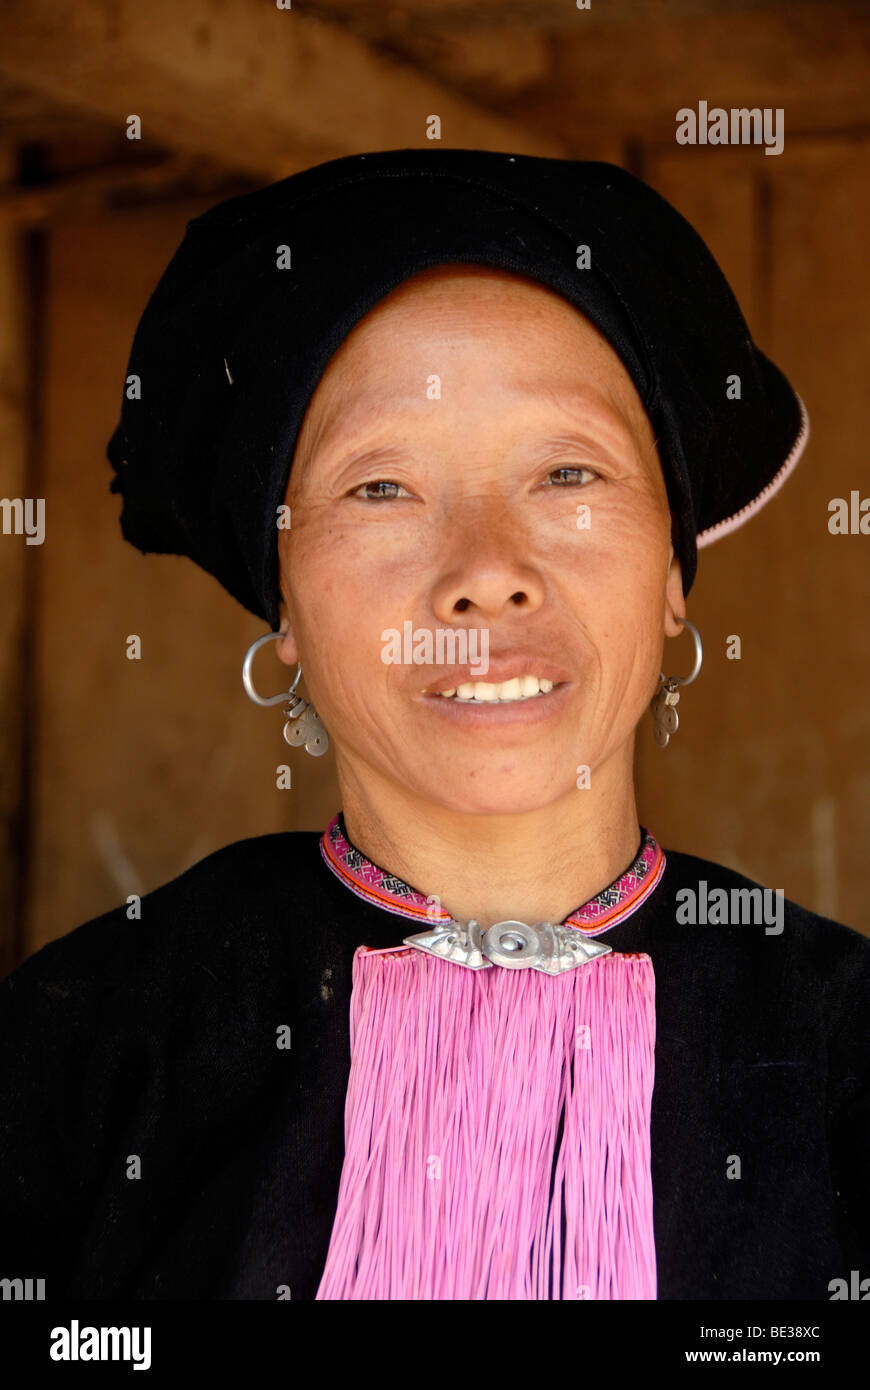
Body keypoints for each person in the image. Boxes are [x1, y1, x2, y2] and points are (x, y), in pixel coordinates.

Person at [0, 149, 866, 1301]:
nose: (487, 574)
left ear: (672, 565)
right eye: (381, 487)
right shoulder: (77, 1055)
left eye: (568, 471)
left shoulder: (843, 1051)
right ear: (286, 598)